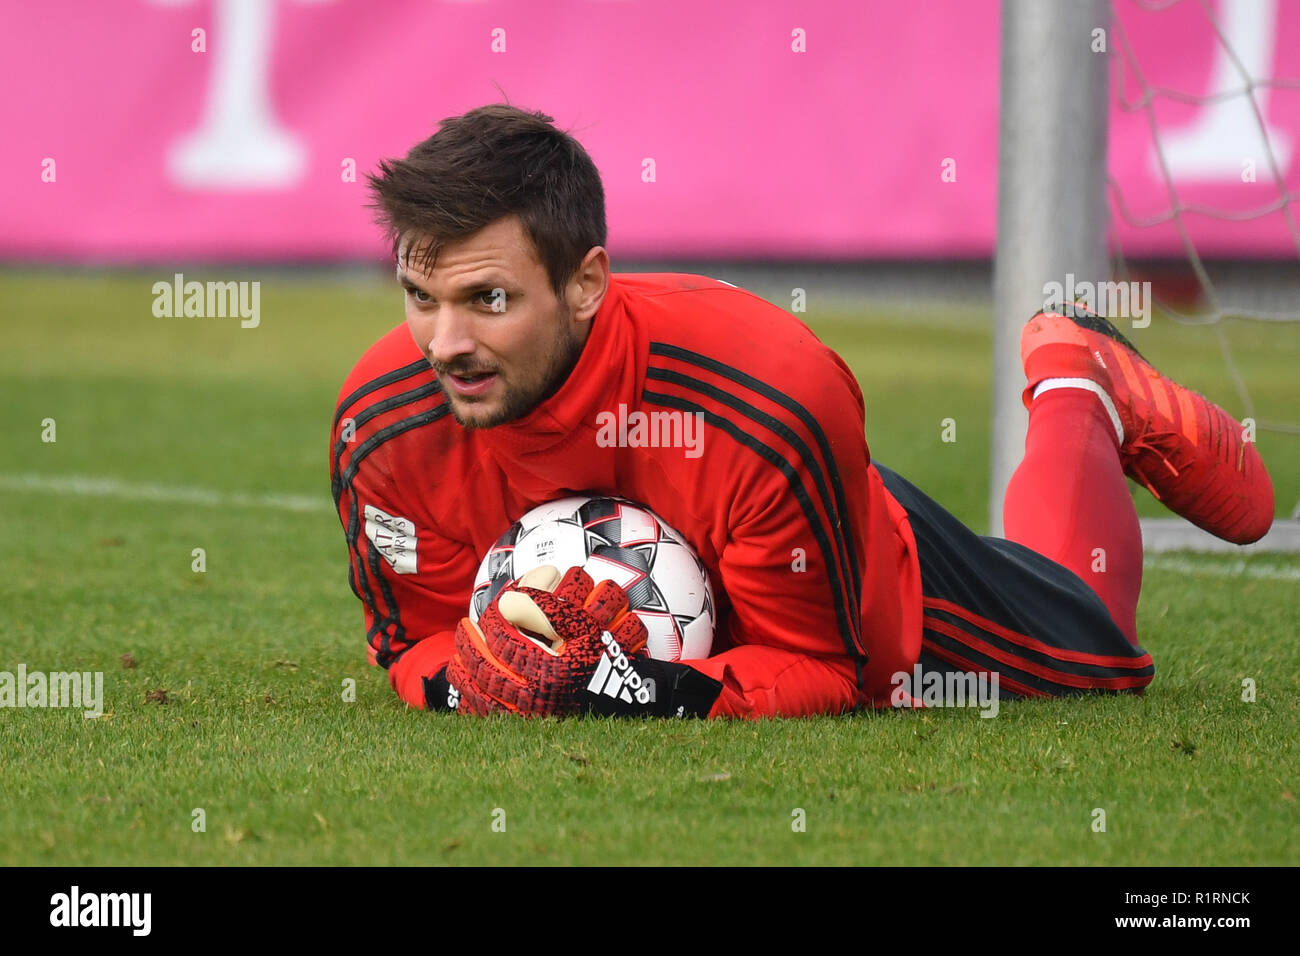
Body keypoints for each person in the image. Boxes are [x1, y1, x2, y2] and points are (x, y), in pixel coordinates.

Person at [330, 104, 1274, 719]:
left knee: (1104, 659)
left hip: (870, 581)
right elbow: (417, 643)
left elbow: (822, 669)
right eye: (421, 297)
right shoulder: (383, 427)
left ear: (585, 286)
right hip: (744, 534)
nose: (444, 341)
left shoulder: (765, 403)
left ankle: (1075, 384)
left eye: (487, 300)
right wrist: (467, 681)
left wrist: (627, 691)